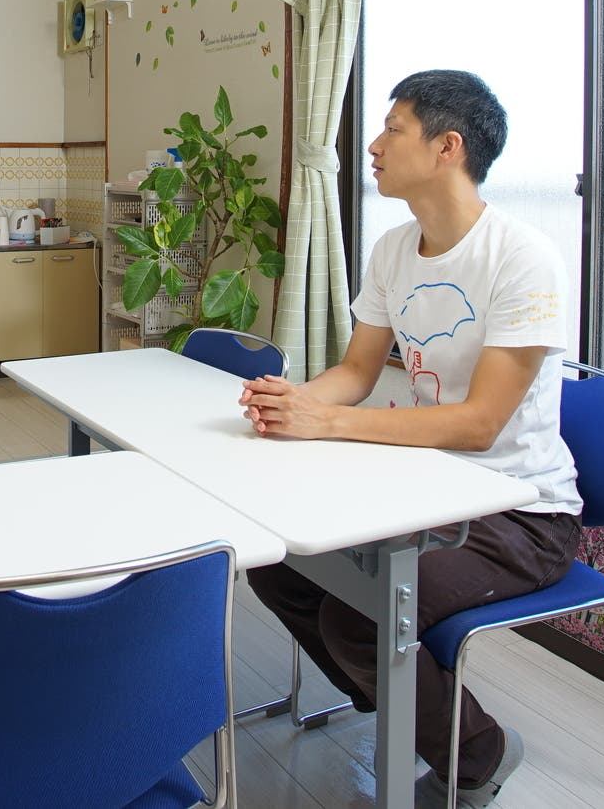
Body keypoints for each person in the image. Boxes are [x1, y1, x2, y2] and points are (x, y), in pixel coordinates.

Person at [238, 69, 578, 809]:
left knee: (359, 614)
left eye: (393, 129)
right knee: (280, 565)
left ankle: (478, 755)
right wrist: (293, 401)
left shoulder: (522, 258)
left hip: (521, 512)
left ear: (448, 147)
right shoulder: (395, 249)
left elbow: (480, 423)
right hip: (430, 491)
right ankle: (389, 694)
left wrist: (327, 423)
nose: (374, 144)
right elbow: (357, 372)